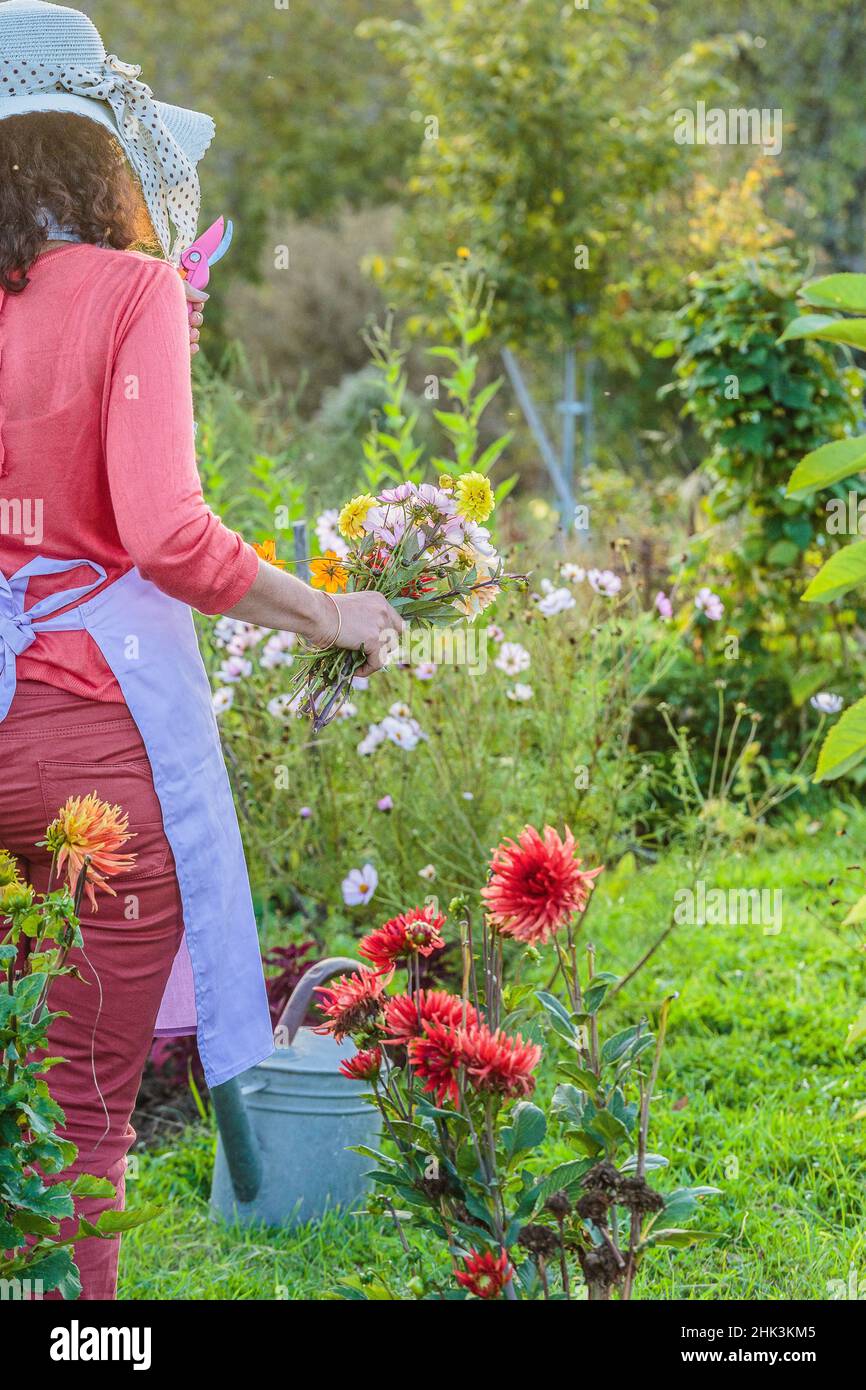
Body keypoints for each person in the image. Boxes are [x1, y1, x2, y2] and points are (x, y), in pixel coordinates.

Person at [0, 0, 402, 1300]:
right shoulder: (129, 294)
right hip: (90, 753)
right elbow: (169, 534)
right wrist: (330, 610)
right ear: (99, 153)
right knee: (77, 1107)